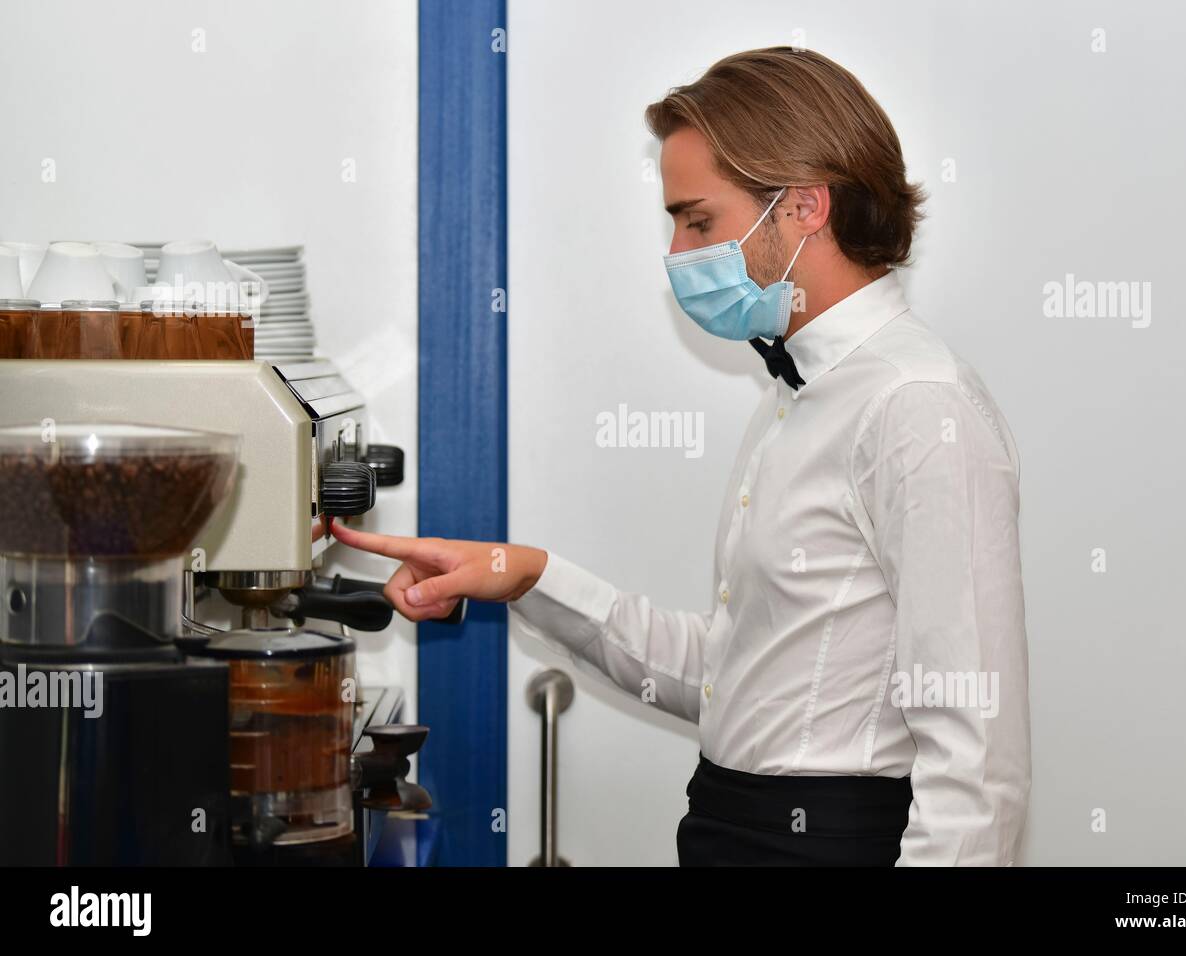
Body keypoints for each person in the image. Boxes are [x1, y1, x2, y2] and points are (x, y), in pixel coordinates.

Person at [333, 46, 1030, 867]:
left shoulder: (917, 403)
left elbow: (976, 760)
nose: (676, 254)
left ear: (805, 205)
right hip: (734, 826)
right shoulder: (800, 392)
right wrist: (522, 575)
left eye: (698, 220)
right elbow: (734, 674)